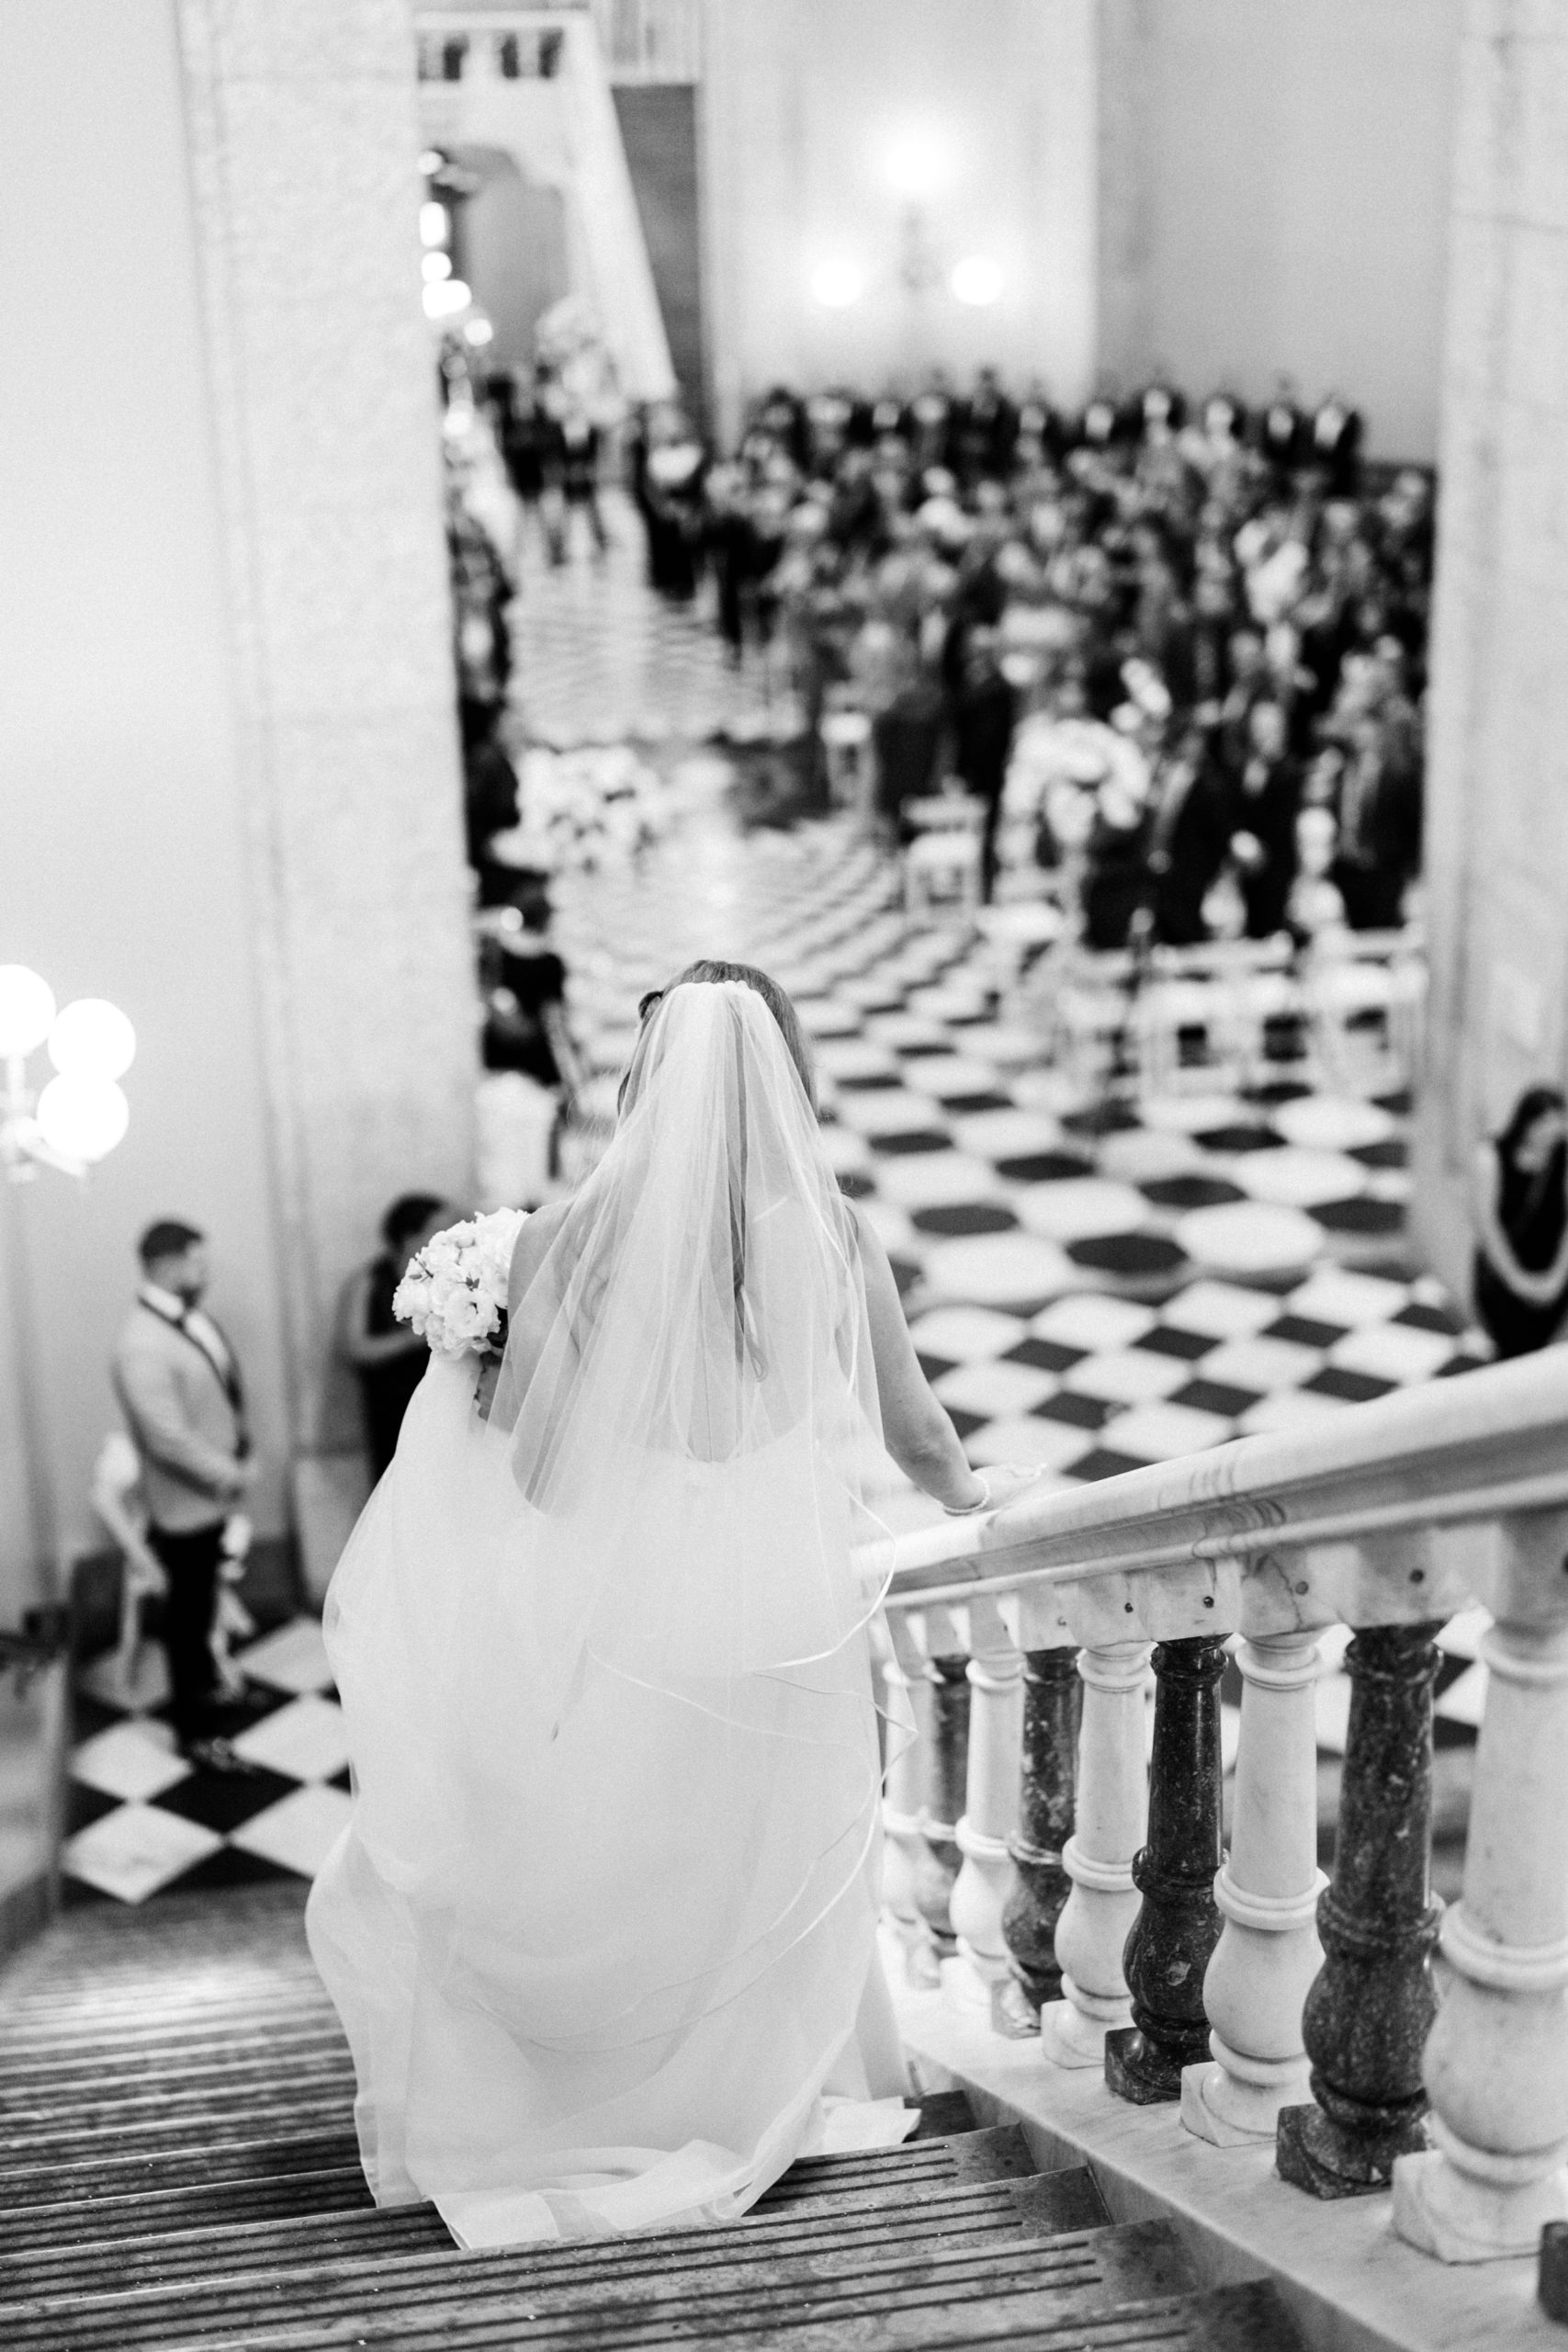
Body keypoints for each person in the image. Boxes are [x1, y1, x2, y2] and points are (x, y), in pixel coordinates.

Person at [308, 964, 1036, 2247]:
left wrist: (479, 1388)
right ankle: (765, 2093)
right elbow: (916, 1431)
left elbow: (540, 1471)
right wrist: (979, 1497)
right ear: (783, 1076)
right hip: (779, 1605)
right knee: (756, 1860)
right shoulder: (831, 1228)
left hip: (628, 1609)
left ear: (646, 1084)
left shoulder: (563, 1237)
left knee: (632, 1849)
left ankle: (620, 2105)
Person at [111, 1220, 256, 1764]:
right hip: (182, 1503)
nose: (205, 1271)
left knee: (201, 1606)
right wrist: (229, 1473)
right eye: (196, 1260)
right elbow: (166, 1438)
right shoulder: (140, 1343)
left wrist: (240, 1447)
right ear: (166, 1264)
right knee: (188, 1618)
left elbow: (217, 1391)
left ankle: (211, 1691)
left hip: (206, 1496)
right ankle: (194, 1733)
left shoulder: (187, 1319)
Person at [336, 1195, 454, 1481]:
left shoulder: (450, 1276)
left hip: (444, 1403)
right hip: (391, 1407)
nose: (449, 1237)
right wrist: (414, 1338)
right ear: (410, 1235)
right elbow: (354, 1348)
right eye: (438, 1230)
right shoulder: (368, 1281)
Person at [1473, 1087, 1568, 1360]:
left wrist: (1556, 1279)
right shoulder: (1492, 1155)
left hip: (1549, 1266)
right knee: (1509, 1346)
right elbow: (1486, 1222)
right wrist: (1516, 1281)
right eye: (1543, 1123)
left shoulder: (1562, 1157)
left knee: (1535, 1349)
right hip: (1503, 1270)